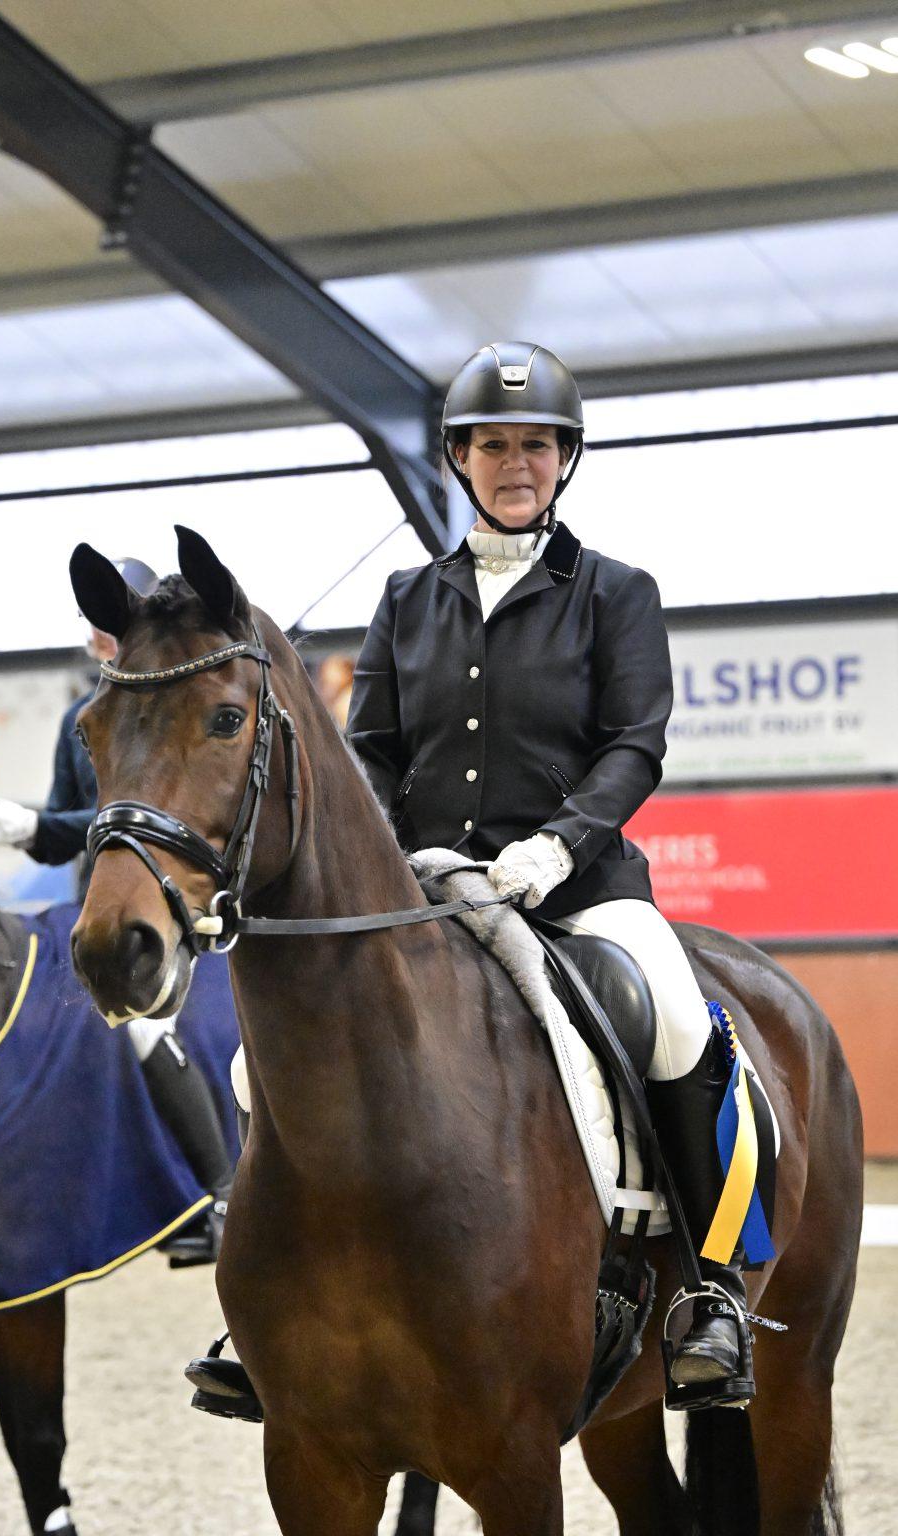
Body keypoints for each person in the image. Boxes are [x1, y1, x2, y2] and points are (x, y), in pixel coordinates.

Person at [344, 341, 755, 1406]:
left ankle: (709, 1291)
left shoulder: (617, 592)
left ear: (565, 460)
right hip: (432, 891)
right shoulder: (405, 598)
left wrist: (557, 845)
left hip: (578, 888)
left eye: (536, 444)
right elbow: (373, 750)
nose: (515, 461)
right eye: (494, 445)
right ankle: (271, 1302)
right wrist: (396, 852)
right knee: (291, 1045)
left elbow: (636, 743)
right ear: (461, 460)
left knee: (672, 1014)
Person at [0, 557, 234, 1266]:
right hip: (103, 897)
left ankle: (223, 1194)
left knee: (151, 1034)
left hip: (175, 898)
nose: (101, 633)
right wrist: (30, 827)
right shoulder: (80, 719)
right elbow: (74, 827)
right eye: (95, 622)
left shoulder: (184, 697)